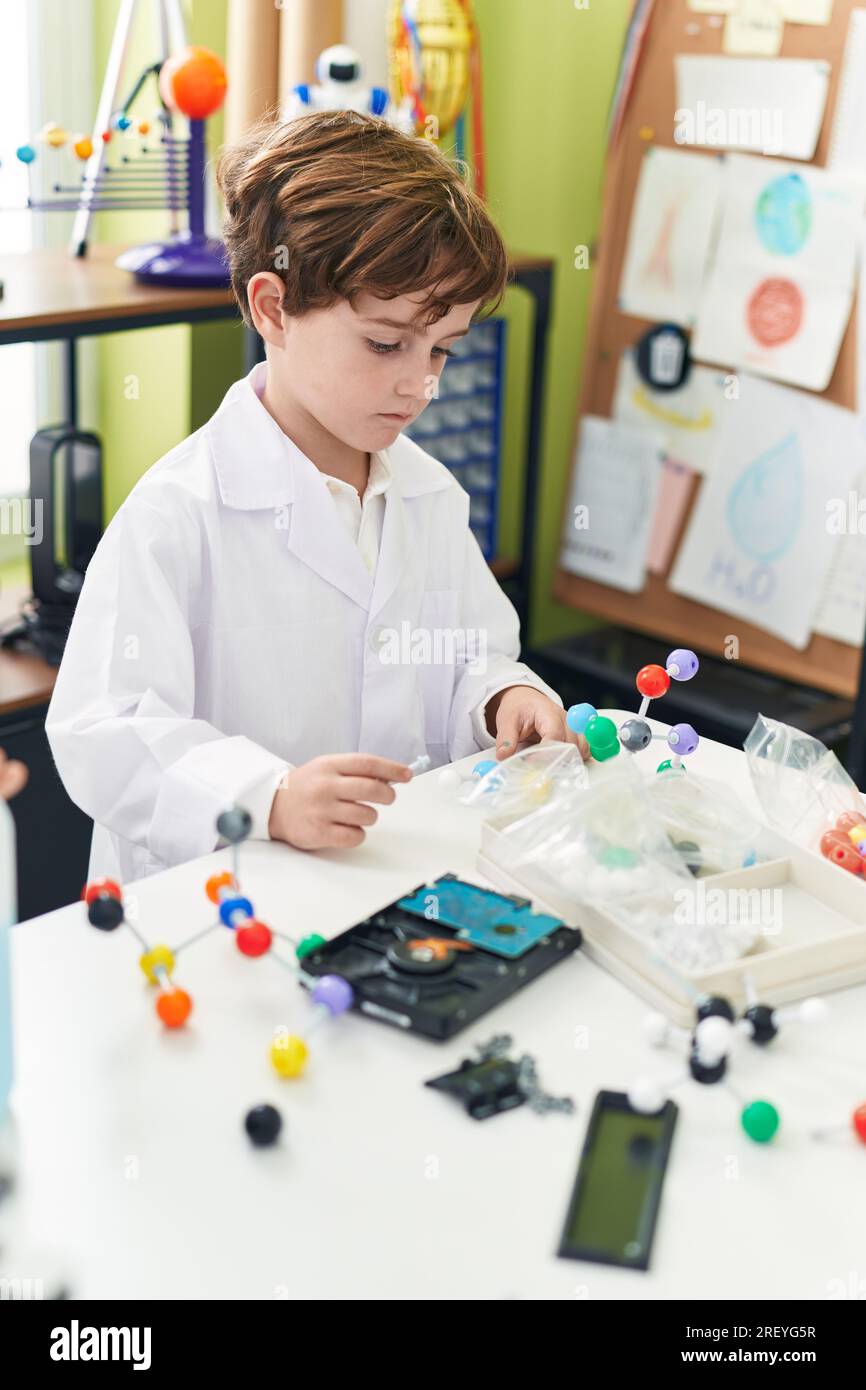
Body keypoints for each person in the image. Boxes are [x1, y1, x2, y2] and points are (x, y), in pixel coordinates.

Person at [46, 110, 586, 884]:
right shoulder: (179, 513)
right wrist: (267, 797)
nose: (419, 382)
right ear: (272, 308)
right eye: (385, 342)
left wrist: (502, 697)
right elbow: (110, 731)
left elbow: (467, 653)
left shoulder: (427, 494)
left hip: (383, 882)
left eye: (442, 350)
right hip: (225, 899)